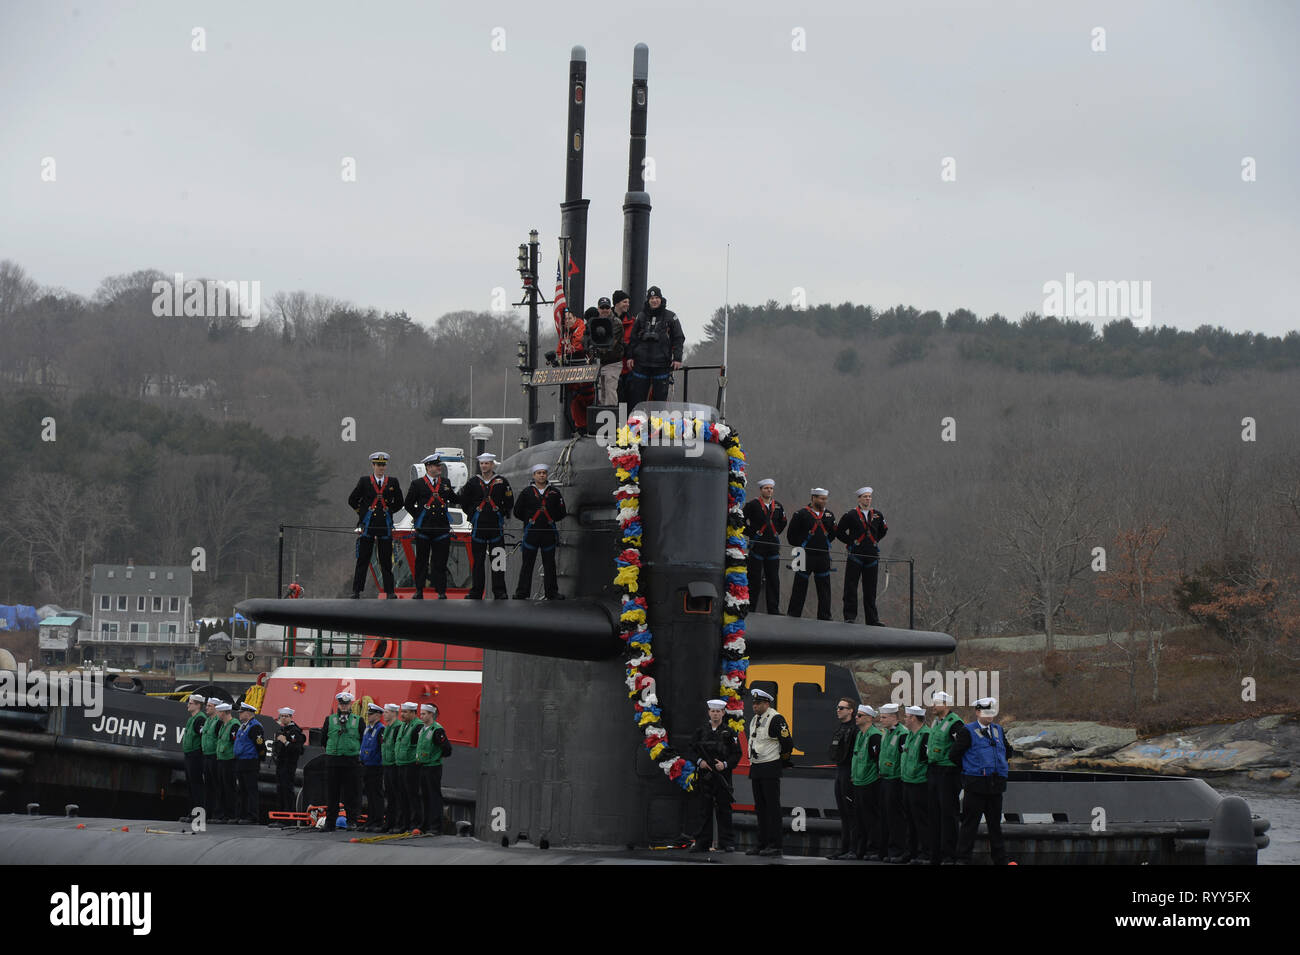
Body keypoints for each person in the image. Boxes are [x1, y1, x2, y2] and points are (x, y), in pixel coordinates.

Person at [952, 697, 1012, 865]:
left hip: (995, 786)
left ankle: (1000, 859)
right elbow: (954, 755)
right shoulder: (967, 731)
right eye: (986, 711)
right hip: (976, 785)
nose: (990, 715)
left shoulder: (998, 730)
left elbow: (1008, 750)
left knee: (995, 826)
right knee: (970, 825)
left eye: (992, 711)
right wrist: (969, 770)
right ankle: (963, 859)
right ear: (977, 712)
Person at [347, 451, 404, 599]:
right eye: (378, 465)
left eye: (383, 465)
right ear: (373, 465)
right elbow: (352, 500)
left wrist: (389, 511)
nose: (381, 468)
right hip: (368, 526)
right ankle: (357, 591)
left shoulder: (393, 482)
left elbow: (400, 502)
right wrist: (362, 513)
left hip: (384, 526)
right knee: (363, 560)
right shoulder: (364, 481)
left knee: (386, 561)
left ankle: (390, 591)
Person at [404, 453, 460, 599]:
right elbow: (408, 504)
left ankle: (441, 591)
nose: (439, 467)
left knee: (440, 562)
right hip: (424, 529)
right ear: (428, 467)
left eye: (439, 465)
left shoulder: (445, 483)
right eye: (436, 465)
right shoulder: (417, 484)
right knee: (421, 562)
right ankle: (419, 590)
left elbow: (455, 499)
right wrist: (419, 516)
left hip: (441, 529)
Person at [745, 687, 793, 857]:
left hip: (770, 766)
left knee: (772, 808)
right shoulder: (755, 719)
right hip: (757, 767)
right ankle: (762, 843)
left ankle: (775, 845)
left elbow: (787, 743)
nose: (755, 706)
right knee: (760, 808)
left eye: (758, 703)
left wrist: (782, 761)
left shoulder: (775, 718)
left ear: (767, 703)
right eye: (754, 703)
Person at [689, 698, 741, 853]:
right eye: (713, 711)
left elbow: (737, 754)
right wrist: (699, 762)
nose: (715, 714)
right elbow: (691, 750)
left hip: (722, 776)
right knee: (704, 809)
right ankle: (702, 842)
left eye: (718, 711)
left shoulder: (729, 732)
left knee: (724, 809)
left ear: (723, 713)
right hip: (705, 775)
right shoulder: (700, 731)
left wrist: (724, 764)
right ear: (709, 712)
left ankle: (727, 842)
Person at [460, 452, 513, 599]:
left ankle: (499, 591)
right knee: (478, 562)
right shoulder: (473, 482)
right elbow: (464, 501)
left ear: (492, 465)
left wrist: (501, 513)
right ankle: (477, 591)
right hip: (479, 527)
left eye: (487, 463)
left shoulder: (502, 482)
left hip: (496, 527)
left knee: (498, 560)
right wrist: (472, 514)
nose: (484, 466)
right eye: (482, 463)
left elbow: (509, 502)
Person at [513, 463, 567, 600]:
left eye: (544, 473)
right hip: (532, 533)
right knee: (527, 564)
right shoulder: (526, 492)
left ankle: (551, 592)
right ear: (534, 475)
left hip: (547, 533)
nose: (542, 475)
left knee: (549, 564)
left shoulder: (554, 492)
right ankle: (522, 592)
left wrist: (550, 518)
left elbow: (562, 512)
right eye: (539, 473)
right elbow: (517, 511)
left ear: (546, 475)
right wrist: (529, 520)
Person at [625, 285, 685, 406]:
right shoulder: (641, 316)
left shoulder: (670, 317)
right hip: (641, 364)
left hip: (661, 364)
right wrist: (630, 356)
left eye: (657, 298)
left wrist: (677, 358)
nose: (654, 300)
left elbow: (678, 338)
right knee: (638, 400)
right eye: (652, 298)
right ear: (648, 300)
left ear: (661, 299)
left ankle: (658, 419)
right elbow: (633, 338)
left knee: (659, 402)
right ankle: (638, 418)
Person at [836, 486, 888, 625]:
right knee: (851, 587)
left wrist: (874, 541)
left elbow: (883, 530)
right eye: (865, 497)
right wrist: (851, 542)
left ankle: (872, 619)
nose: (868, 499)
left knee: (871, 589)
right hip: (856, 555)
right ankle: (849, 616)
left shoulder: (877, 515)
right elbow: (839, 532)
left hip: (872, 556)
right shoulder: (851, 514)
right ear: (859, 499)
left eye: (869, 497)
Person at [786, 488, 836, 620]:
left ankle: (825, 616)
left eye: (825, 499)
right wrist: (803, 545)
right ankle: (794, 614)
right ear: (813, 498)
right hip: (804, 554)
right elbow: (791, 536)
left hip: (823, 555)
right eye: (821, 499)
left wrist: (821, 544)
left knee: (824, 587)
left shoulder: (829, 515)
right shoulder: (801, 514)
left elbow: (832, 534)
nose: (824, 501)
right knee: (800, 585)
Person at [926, 691, 963, 865]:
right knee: (934, 814)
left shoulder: (955, 723)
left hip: (948, 772)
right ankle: (935, 854)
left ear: (946, 704)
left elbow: (961, 747)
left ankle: (949, 854)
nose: (933, 706)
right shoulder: (936, 722)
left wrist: (953, 766)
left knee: (948, 815)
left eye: (937, 703)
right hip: (934, 770)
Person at [318, 691, 363, 831]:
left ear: (350, 705)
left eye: (346, 704)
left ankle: (352, 821)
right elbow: (323, 739)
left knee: (351, 793)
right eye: (342, 704)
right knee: (332, 794)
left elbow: (363, 739)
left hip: (351, 761)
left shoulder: (358, 720)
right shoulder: (330, 720)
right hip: (333, 761)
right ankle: (330, 823)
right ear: (338, 704)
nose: (344, 706)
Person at [743, 479, 787, 614]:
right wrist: (751, 532)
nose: (769, 490)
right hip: (757, 546)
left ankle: (773, 609)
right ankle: (750, 607)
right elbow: (741, 521)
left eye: (771, 488)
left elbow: (783, 522)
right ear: (761, 490)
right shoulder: (752, 505)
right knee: (754, 578)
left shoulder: (778, 506)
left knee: (773, 579)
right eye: (766, 488)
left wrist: (775, 532)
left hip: (772, 547)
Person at [826, 696, 860, 860]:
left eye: (841, 708)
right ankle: (844, 848)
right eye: (838, 707)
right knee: (843, 813)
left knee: (851, 812)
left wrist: (854, 773)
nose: (838, 710)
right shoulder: (841, 728)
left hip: (849, 772)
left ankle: (853, 849)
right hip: (840, 771)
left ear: (851, 711)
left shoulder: (855, 730)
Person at [876, 702, 909, 862]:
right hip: (884, 778)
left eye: (884, 717)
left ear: (893, 717)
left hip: (896, 780)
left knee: (895, 817)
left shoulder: (902, 734)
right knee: (885, 816)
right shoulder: (886, 733)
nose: (880, 720)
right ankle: (885, 850)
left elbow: (904, 757)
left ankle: (897, 850)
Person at [851, 704, 884, 860]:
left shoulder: (874, 736)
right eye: (856, 715)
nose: (856, 718)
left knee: (871, 818)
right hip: (858, 781)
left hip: (869, 782)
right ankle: (860, 849)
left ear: (869, 718)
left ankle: (874, 849)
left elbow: (878, 760)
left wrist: (875, 778)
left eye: (859, 715)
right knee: (860, 819)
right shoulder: (860, 734)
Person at [900, 704, 931, 864]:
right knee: (909, 820)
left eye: (906, 717)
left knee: (921, 820)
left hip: (920, 783)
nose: (904, 719)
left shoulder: (926, 735)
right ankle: (910, 851)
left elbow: (928, 760)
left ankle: (925, 852)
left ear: (913, 718)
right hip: (907, 781)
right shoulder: (909, 736)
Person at [414, 702, 450, 834]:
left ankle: (436, 826)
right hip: (423, 766)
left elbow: (447, 749)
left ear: (431, 714)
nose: (421, 716)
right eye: (421, 713)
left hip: (433, 768)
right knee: (425, 796)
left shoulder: (437, 730)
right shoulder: (423, 729)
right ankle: (425, 824)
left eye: (424, 714)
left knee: (434, 796)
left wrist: (435, 758)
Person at [560, 307, 596, 435]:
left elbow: (580, 346)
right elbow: (560, 350)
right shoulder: (565, 334)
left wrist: (572, 350)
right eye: (565, 320)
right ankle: (581, 427)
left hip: (585, 372)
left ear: (575, 318)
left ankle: (589, 426)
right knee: (575, 400)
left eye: (569, 318)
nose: (568, 321)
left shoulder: (582, 329)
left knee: (587, 398)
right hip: (573, 375)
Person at [586, 296, 625, 407]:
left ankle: (611, 414)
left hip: (613, 362)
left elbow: (611, 344)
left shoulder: (616, 322)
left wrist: (595, 351)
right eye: (602, 307)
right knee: (601, 391)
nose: (604, 310)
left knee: (610, 389)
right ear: (598, 309)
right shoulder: (594, 322)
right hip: (599, 363)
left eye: (607, 307)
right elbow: (587, 339)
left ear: (610, 308)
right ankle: (602, 414)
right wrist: (590, 350)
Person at [233, 701, 266, 824]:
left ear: (249, 713)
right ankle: (241, 814)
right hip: (241, 761)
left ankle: (252, 816)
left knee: (251, 790)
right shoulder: (243, 726)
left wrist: (258, 759)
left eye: (242, 712)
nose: (239, 714)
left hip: (250, 761)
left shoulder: (255, 727)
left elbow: (260, 745)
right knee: (242, 790)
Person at [272, 706, 305, 816]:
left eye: (286, 716)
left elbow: (297, 750)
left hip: (289, 764)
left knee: (287, 790)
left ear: (291, 717)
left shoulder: (294, 731)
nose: (284, 718)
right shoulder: (281, 730)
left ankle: (287, 816)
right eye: (282, 716)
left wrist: (285, 742)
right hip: (280, 764)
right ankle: (280, 815)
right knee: (280, 789)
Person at [394, 701, 421, 831]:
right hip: (401, 764)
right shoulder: (404, 726)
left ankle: (414, 824)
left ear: (413, 713)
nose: (402, 714)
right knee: (402, 796)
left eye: (405, 712)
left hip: (411, 765)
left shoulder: (418, 726)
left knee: (412, 795)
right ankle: (405, 824)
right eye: (402, 711)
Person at [359, 703, 386, 832]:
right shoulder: (367, 728)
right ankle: (370, 820)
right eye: (368, 714)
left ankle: (378, 820)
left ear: (378, 715)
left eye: (371, 714)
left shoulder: (380, 729)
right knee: (370, 794)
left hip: (375, 766)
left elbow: (380, 748)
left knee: (376, 794)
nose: (368, 716)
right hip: (367, 765)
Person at [212, 701, 238, 823]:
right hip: (221, 759)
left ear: (224, 713)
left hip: (229, 760)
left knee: (229, 788)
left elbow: (235, 743)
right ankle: (222, 814)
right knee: (221, 788)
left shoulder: (234, 725)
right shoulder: (223, 725)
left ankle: (231, 814)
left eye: (218, 712)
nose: (217, 714)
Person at [181, 693, 207, 813]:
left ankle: (198, 812)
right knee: (190, 785)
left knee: (196, 785)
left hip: (195, 756)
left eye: (191, 703)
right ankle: (191, 812)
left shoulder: (200, 719)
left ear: (198, 705)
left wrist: (199, 754)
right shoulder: (192, 719)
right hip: (189, 755)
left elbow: (203, 737)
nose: (188, 705)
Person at [611, 291, 636, 405]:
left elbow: (635, 342)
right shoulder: (607, 320)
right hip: (612, 365)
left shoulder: (633, 322)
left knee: (628, 398)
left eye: (628, 302)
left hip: (627, 367)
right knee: (615, 398)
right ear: (617, 303)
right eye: (624, 302)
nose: (627, 304)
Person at [199, 696, 222, 819]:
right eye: (206, 705)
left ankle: (216, 813)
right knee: (208, 785)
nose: (206, 708)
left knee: (216, 785)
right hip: (206, 755)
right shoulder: (208, 720)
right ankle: (207, 812)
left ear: (216, 708)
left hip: (214, 756)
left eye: (209, 706)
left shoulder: (218, 722)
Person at [380, 702, 401, 831]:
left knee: (396, 795)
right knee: (389, 795)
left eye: (387, 712)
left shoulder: (397, 727)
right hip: (387, 764)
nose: (384, 714)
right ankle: (389, 822)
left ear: (394, 713)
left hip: (394, 765)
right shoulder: (387, 727)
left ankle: (397, 823)